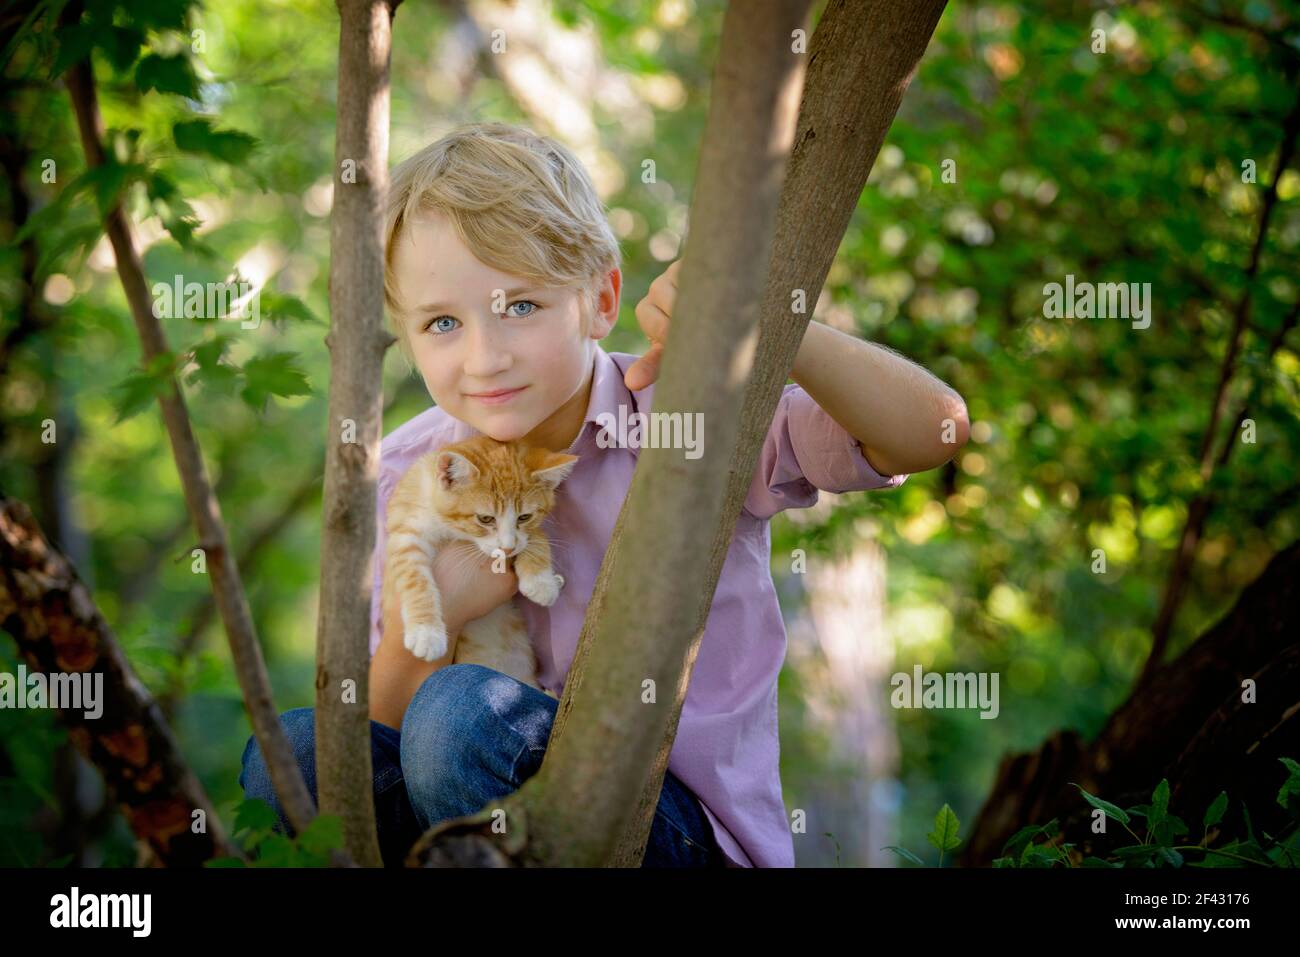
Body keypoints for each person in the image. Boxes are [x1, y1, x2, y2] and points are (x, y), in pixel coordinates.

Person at [241, 121, 969, 867]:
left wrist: (773, 322)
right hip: (465, 810)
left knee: (458, 717)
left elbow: (932, 434)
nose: (484, 357)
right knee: (296, 754)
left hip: (675, 835)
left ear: (602, 297)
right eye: (443, 323)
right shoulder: (408, 473)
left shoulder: (688, 416)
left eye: (519, 306)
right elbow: (378, 751)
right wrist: (440, 610)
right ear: (407, 334)